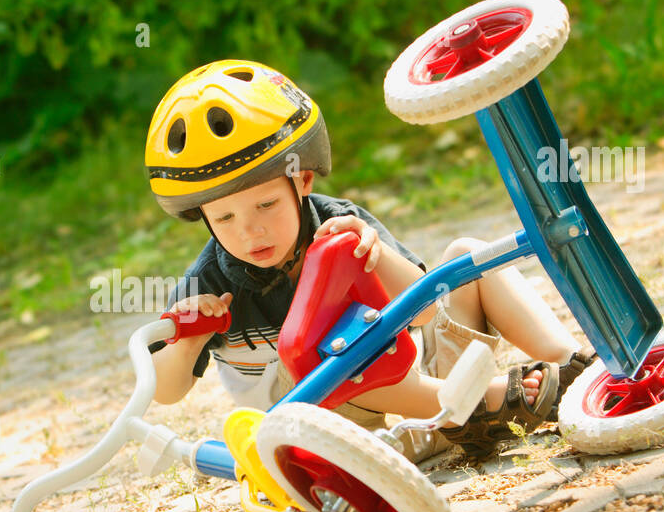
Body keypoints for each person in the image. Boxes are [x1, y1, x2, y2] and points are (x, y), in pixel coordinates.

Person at [145, 59, 597, 463]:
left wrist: (374, 256)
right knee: (333, 351)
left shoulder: (341, 225)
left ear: (301, 181)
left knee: (465, 256)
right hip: (349, 444)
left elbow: (423, 310)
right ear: (200, 216)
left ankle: (576, 372)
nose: (250, 231)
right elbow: (165, 392)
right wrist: (187, 341)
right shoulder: (206, 285)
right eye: (224, 217)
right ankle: (491, 400)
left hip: (425, 398)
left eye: (266, 206)